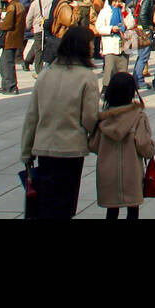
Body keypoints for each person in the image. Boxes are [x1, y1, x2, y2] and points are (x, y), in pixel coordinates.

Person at [20, 26, 99, 219]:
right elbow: (90, 118)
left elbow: (32, 116)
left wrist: (26, 151)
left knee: (46, 202)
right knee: (65, 203)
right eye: (90, 43)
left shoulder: (46, 73)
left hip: (44, 147)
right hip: (71, 149)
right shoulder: (87, 77)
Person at [89, 72, 155, 220]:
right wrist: (152, 148)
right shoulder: (137, 117)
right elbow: (144, 145)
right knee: (133, 211)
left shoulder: (103, 120)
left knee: (111, 211)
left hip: (107, 173)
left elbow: (93, 145)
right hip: (131, 173)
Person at [96, 0, 135, 94]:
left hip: (123, 44)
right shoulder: (105, 12)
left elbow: (131, 24)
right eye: (115, 1)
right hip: (110, 45)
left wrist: (124, 13)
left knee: (123, 70)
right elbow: (99, 27)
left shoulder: (125, 11)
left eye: (119, 1)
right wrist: (111, 29)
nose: (117, 4)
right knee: (109, 70)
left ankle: (121, 91)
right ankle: (106, 89)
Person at [0, 0, 25, 94]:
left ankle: (10, 87)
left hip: (10, 38)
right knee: (5, 63)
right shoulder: (19, 5)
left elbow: (8, 24)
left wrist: (0, 24)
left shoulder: (12, 6)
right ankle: (7, 86)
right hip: (16, 38)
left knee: (6, 64)